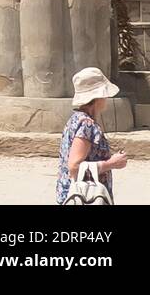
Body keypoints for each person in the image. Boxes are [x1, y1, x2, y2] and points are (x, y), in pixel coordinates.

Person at [55, 66, 128, 204]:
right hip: (85, 197)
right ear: (96, 97)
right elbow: (74, 167)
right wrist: (111, 164)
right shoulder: (86, 125)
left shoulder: (76, 119)